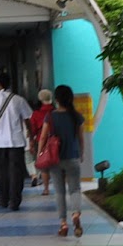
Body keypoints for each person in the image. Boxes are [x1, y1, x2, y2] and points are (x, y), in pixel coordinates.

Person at [38, 84, 85, 237]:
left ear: (56, 99)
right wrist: (81, 153)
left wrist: (40, 153)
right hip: (72, 157)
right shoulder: (77, 116)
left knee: (59, 191)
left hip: (54, 158)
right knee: (75, 189)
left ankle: (63, 223)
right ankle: (76, 214)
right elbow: (81, 138)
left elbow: (43, 137)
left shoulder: (50, 116)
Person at [0, 70, 33, 210]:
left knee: (2, 172)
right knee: (16, 172)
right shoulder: (19, 100)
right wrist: (31, 135)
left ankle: (3, 199)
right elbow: (28, 119)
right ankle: (14, 202)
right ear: (10, 83)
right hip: (16, 141)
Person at [28, 89, 54, 194]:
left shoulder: (36, 114)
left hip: (42, 141)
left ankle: (46, 188)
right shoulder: (56, 112)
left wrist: (32, 143)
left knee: (44, 165)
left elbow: (32, 130)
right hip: (56, 141)